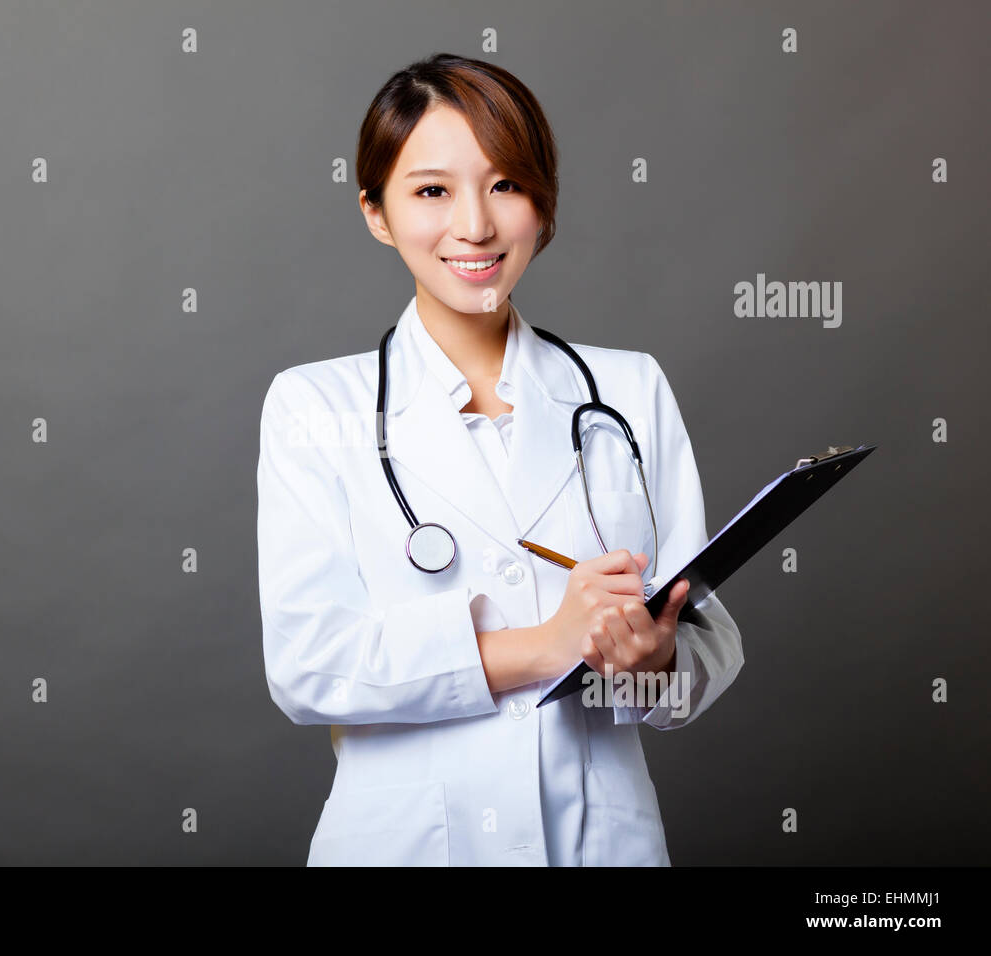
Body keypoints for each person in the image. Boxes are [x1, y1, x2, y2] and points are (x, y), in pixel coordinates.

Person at [256, 53, 743, 866]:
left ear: (544, 205)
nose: (475, 226)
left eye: (506, 185)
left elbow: (704, 650)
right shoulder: (318, 407)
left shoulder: (628, 389)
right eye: (432, 190)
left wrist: (650, 660)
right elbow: (310, 669)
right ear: (376, 211)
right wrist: (550, 645)